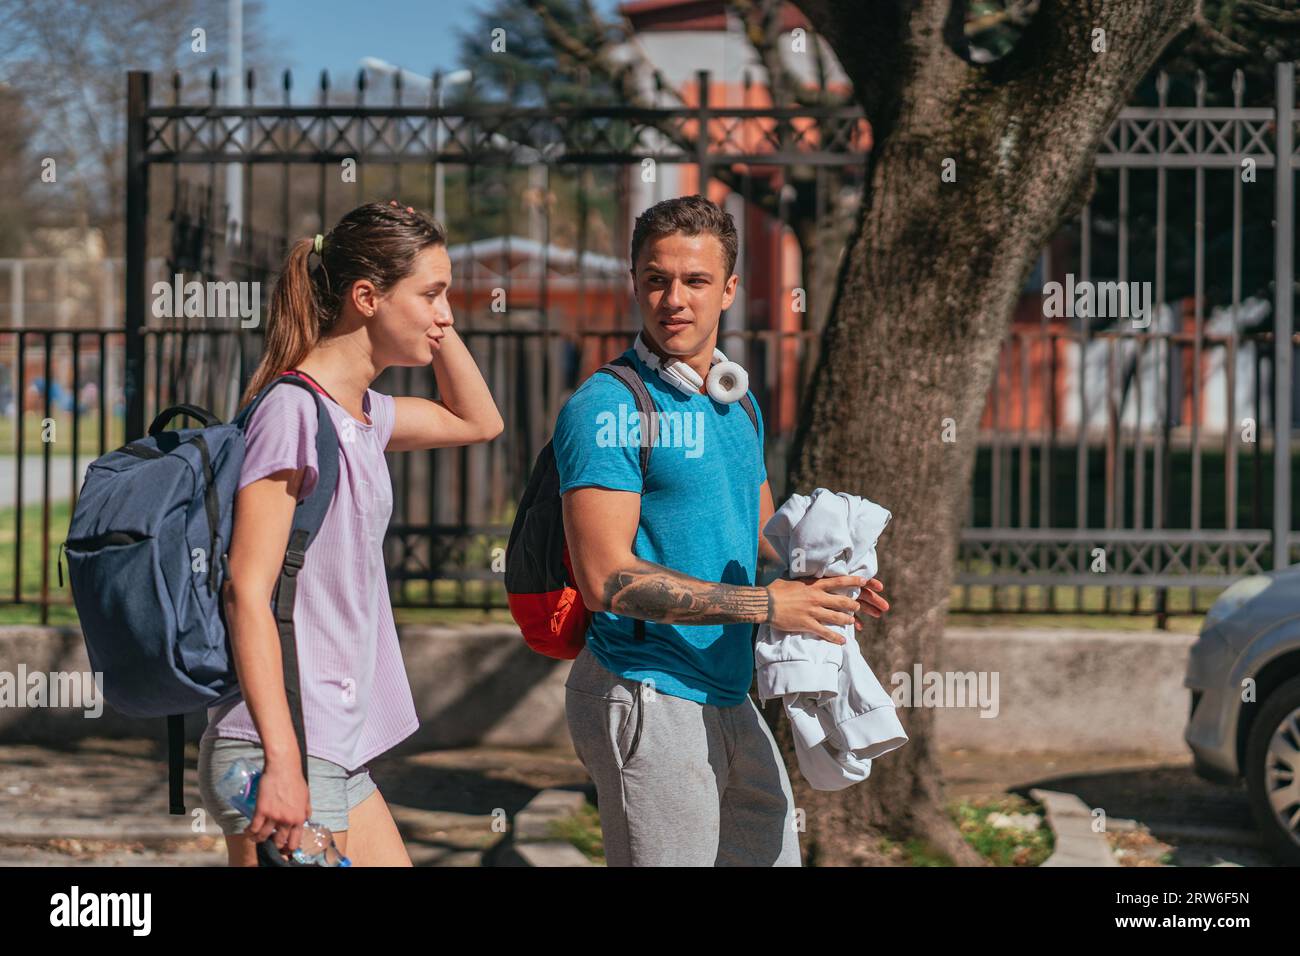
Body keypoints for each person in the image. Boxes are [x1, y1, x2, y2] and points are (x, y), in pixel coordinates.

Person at [554, 194, 890, 866]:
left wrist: (823, 584)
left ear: (729, 288)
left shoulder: (735, 402)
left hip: (728, 691)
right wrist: (770, 605)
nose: (674, 298)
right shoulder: (608, 408)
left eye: (695, 281)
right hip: (647, 690)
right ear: (636, 284)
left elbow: (761, 537)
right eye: (656, 278)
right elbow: (605, 580)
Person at [197, 200, 503, 866]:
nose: (446, 313)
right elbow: (244, 593)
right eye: (431, 295)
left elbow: (479, 421)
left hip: (331, 750)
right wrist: (281, 764)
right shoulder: (291, 413)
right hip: (274, 753)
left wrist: (421, 283)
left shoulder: (366, 415)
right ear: (367, 297)